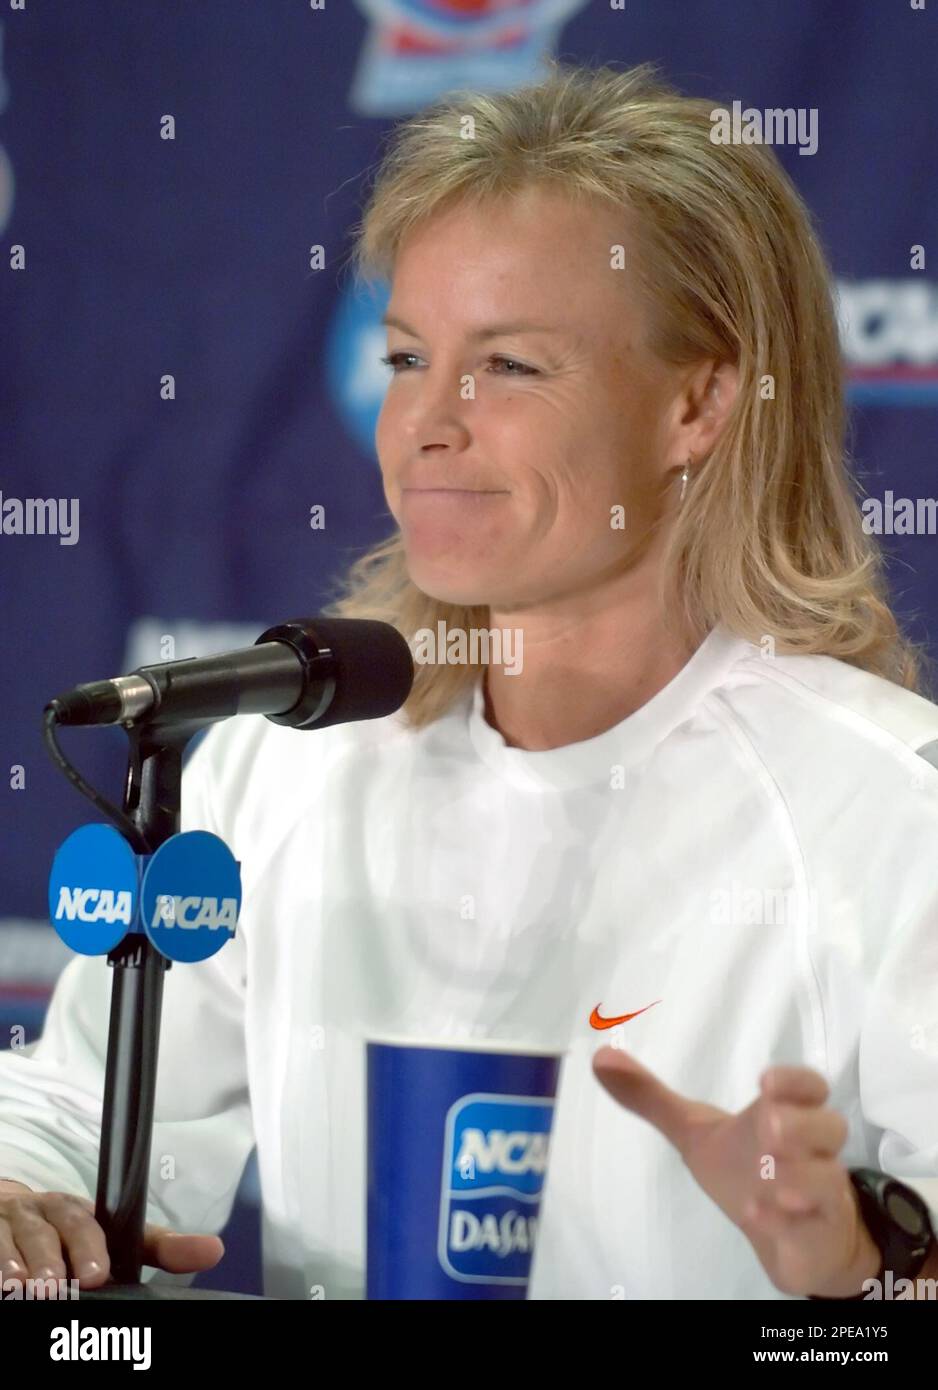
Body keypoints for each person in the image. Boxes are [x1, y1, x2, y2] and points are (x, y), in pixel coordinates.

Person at [1, 59, 937, 1301]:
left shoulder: (888, 812)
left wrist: (860, 1277)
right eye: (404, 358)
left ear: (699, 403)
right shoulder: (280, 758)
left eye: (508, 366)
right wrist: (23, 1201)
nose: (425, 423)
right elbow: (72, 1109)